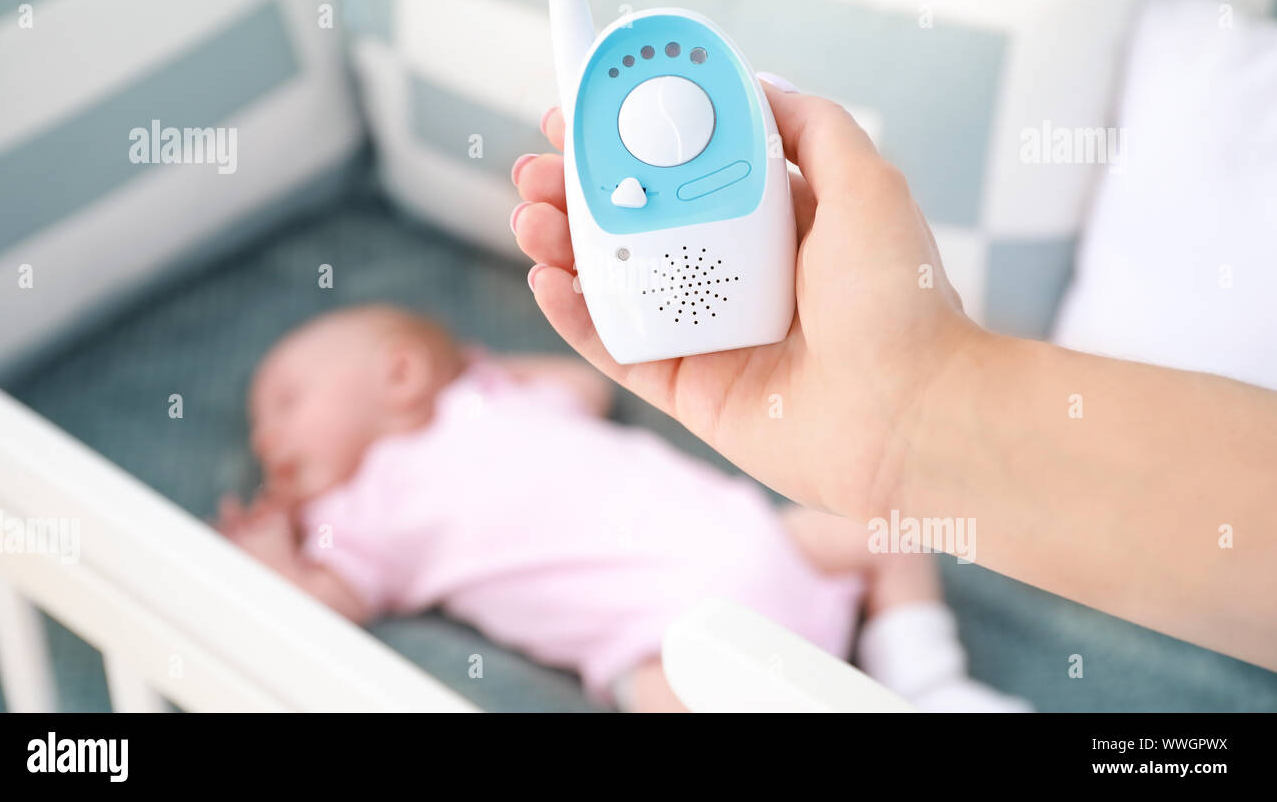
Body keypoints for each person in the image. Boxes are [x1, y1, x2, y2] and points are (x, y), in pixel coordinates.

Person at [510, 74, 1277, 673]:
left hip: (731, 560)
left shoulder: (472, 405)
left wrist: (916, 408)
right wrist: (917, 411)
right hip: (693, 597)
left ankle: (929, 683)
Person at [216, 305, 1027, 711]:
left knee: (883, 533)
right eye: (260, 432)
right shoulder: (357, 517)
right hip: (661, 640)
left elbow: (581, 387)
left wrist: (466, 366)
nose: (266, 438)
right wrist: (280, 564)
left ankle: (929, 681)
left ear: (399, 376)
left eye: (285, 403)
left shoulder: (494, 395)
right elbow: (333, 604)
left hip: (760, 545)